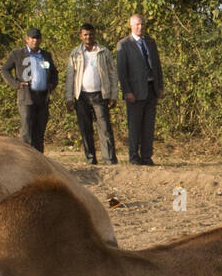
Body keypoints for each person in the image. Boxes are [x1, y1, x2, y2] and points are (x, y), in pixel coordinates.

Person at [64, 23, 119, 165]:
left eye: (91, 34)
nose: (88, 37)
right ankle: (90, 160)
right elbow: (70, 76)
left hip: (100, 95)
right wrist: (69, 97)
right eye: (85, 35)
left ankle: (109, 160)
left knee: (105, 128)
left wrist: (113, 95)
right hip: (81, 96)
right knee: (85, 128)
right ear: (81, 36)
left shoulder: (103, 52)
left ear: (95, 35)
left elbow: (113, 73)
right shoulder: (75, 53)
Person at [115, 14, 163, 165]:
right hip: (135, 92)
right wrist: (127, 91)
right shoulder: (123, 44)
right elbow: (122, 72)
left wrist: (160, 86)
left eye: (142, 24)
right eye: (137, 25)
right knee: (135, 126)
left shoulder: (150, 42)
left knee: (148, 126)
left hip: (151, 89)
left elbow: (157, 66)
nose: (140, 27)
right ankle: (134, 157)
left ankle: (147, 157)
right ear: (131, 26)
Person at [0, 27, 57, 152]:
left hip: (42, 97)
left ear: (41, 40)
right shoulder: (17, 54)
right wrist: (16, 84)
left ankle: (39, 159)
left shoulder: (46, 55)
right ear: (27, 39)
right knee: (26, 130)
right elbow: (4, 69)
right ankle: (25, 160)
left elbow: (54, 73)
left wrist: (51, 85)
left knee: (40, 130)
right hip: (26, 96)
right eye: (32, 38)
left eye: (37, 38)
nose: (35, 41)